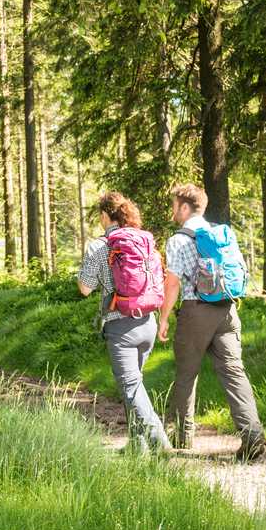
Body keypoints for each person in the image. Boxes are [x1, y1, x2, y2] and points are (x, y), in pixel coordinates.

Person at [158, 182, 266, 461]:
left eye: (174, 205)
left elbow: (172, 284)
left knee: (186, 373)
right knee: (234, 372)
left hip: (196, 310)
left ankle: (182, 438)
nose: (173, 210)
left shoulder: (178, 240)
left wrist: (164, 317)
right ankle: (252, 435)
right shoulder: (221, 235)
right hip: (228, 308)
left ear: (184, 207)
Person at [77, 191, 173, 452]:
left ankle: (158, 439)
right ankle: (136, 445)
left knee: (130, 387)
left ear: (104, 215)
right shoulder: (143, 241)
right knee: (135, 384)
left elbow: (85, 288)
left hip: (121, 325)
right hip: (148, 322)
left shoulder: (100, 246)